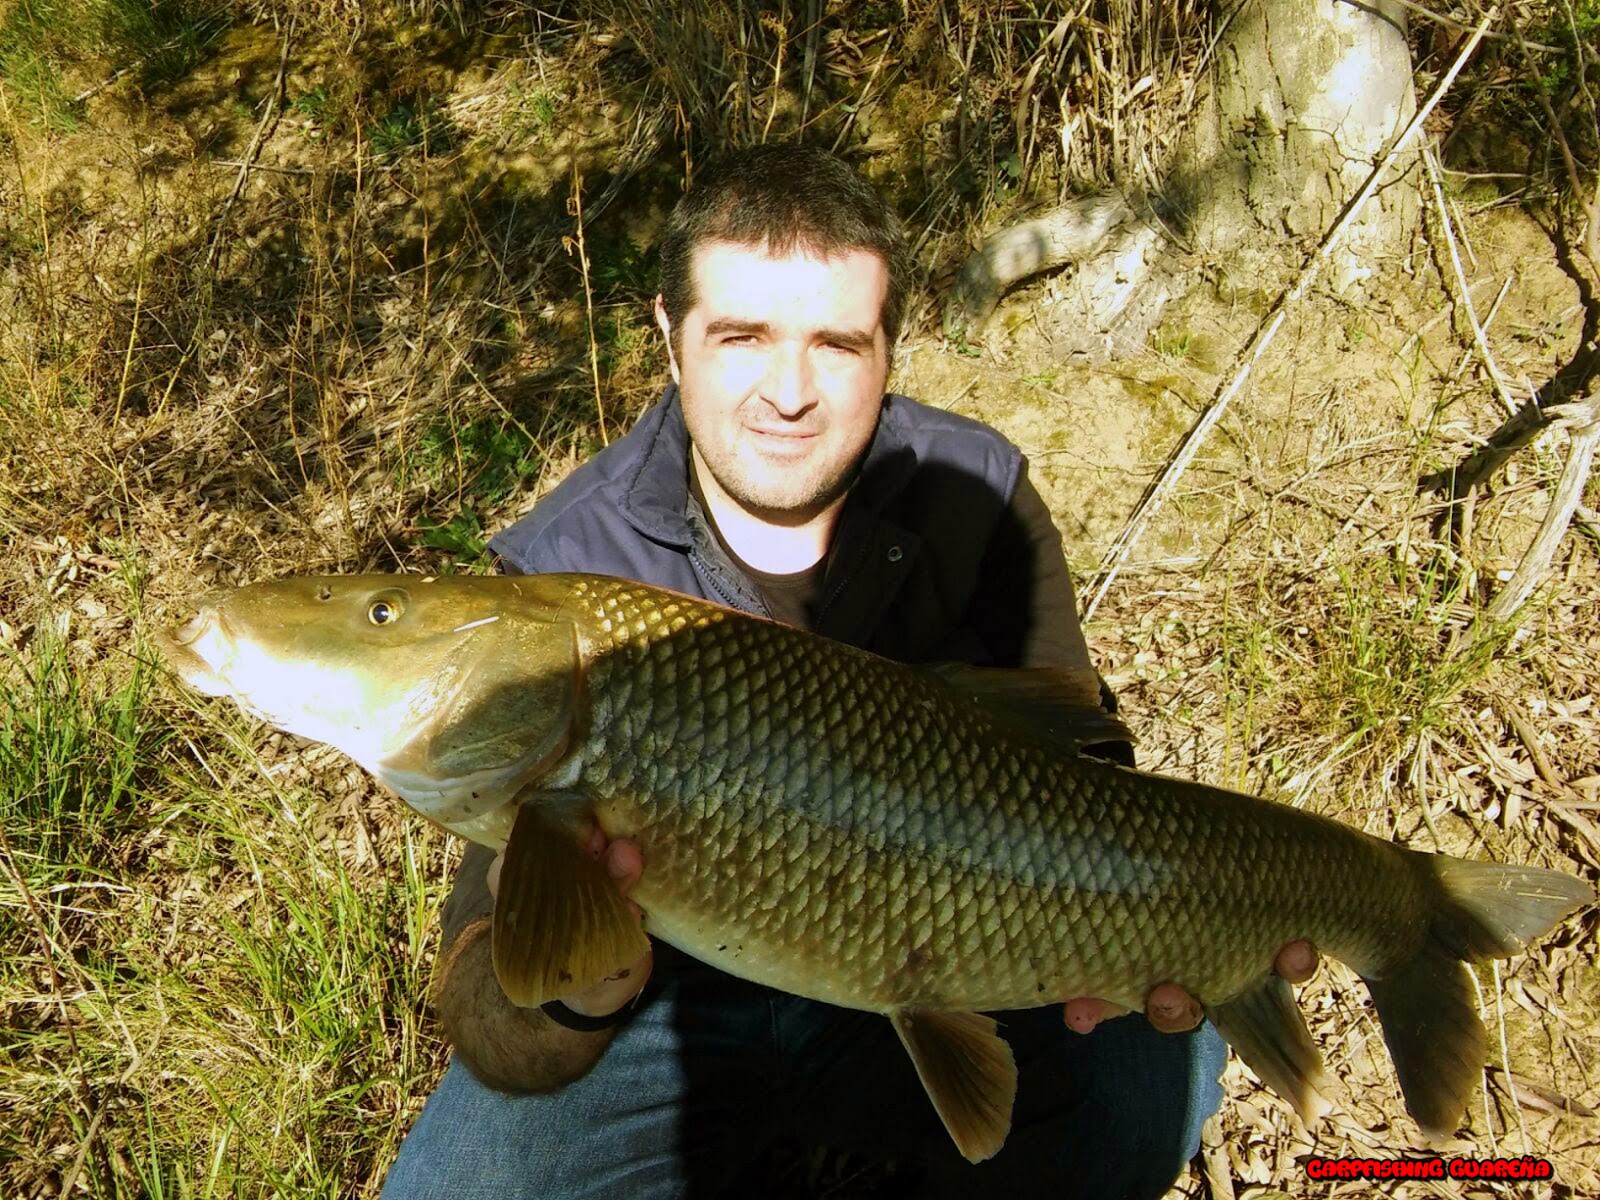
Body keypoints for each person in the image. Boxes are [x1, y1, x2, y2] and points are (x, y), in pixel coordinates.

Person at [383, 143, 1313, 1199]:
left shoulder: (975, 493)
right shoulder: (559, 571)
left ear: (889, 347)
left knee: (1147, 1070)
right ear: (669, 337)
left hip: (967, 938)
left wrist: (1205, 917)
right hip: (666, 1000)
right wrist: (576, 994)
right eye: (741, 336)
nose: (789, 392)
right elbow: (490, 1015)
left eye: (836, 343)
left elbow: (1088, 782)